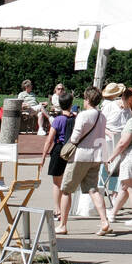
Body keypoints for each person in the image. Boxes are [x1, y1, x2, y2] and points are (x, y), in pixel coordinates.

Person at [58, 86, 112, 236]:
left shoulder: (83, 115)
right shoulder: (102, 116)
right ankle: (104, 221)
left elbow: (75, 138)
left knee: (66, 190)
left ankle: (63, 224)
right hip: (96, 156)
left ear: (87, 99)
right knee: (93, 189)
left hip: (80, 156)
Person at [108, 93, 132, 228]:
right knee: (125, 186)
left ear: (131, 106)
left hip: (131, 153)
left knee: (131, 187)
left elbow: (123, 142)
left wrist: (112, 156)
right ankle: (112, 213)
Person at [39, 89, 77, 226]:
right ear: (71, 104)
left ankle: (57, 209)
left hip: (58, 149)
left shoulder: (58, 120)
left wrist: (43, 156)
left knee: (57, 182)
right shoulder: (75, 119)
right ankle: (65, 210)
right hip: (71, 149)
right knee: (67, 183)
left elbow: (49, 140)